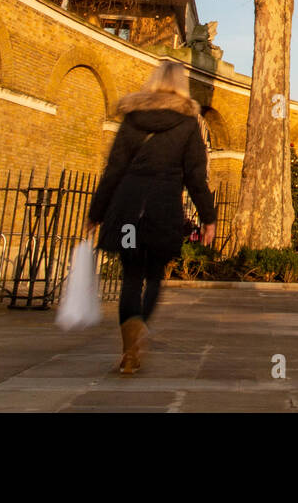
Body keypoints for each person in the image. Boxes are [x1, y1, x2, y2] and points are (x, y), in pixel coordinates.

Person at [85, 60, 216, 374]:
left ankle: (129, 350)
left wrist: (96, 212)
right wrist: (208, 218)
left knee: (131, 276)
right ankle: (140, 327)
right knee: (154, 275)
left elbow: (113, 170)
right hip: (162, 210)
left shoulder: (132, 119)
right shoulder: (187, 124)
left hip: (129, 212)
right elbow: (196, 178)